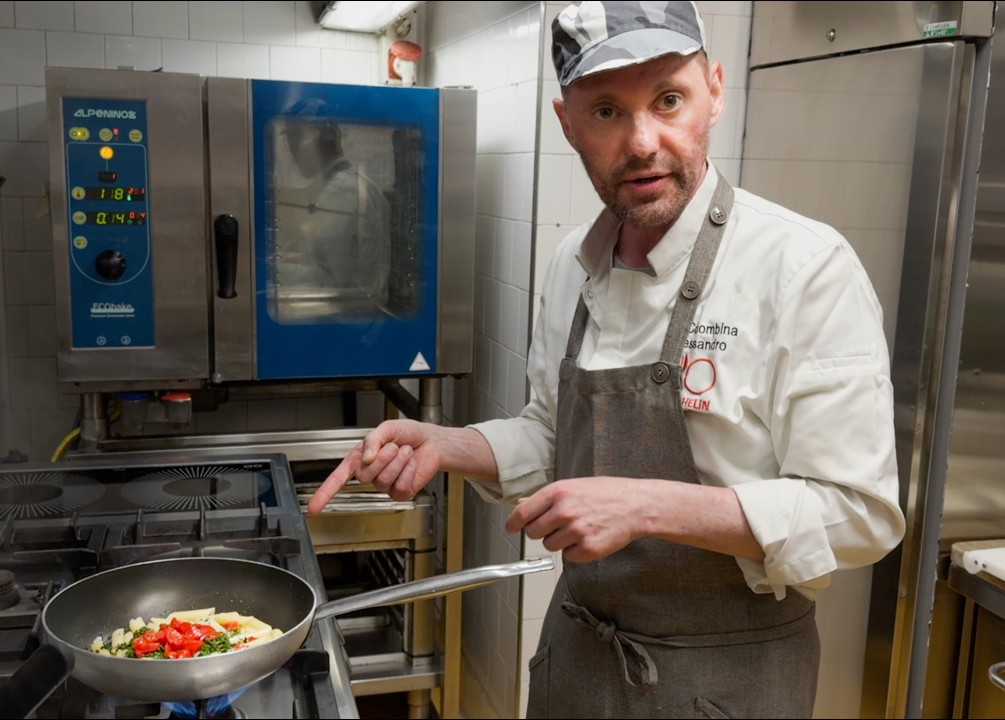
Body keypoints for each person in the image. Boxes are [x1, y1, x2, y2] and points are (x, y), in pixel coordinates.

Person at [308, 2, 906, 717]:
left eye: (669, 100)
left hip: (727, 682)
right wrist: (450, 444)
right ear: (567, 124)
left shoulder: (804, 269)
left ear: (716, 91)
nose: (643, 141)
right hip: (580, 665)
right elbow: (552, 435)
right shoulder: (574, 263)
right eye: (606, 113)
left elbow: (860, 514)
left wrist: (646, 504)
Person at [273, 114, 391, 322]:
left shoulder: (341, 192)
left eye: (293, 138)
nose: (291, 151)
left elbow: (329, 283)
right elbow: (339, 259)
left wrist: (272, 270)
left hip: (344, 323)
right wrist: (298, 258)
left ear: (314, 139)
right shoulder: (350, 185)